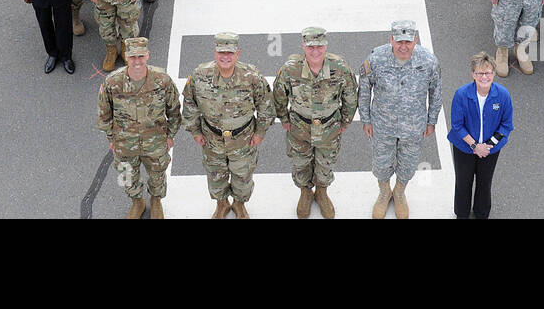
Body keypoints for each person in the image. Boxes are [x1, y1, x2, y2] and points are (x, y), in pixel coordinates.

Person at [181, 32, 275, 219]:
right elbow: (190, 103)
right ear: (215, 52)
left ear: (237, 53)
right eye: (221, 52)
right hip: (211, 138)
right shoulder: (200, 75)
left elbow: (266, 104)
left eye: (230, 53)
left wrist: (260, 132)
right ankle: (222, 204)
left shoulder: (251, 76)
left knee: (243, 176)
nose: (225, 57)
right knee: (216, 175)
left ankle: (239, 205)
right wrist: (195, 131)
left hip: (243, 138)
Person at [358, 20, 442, 220]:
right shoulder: (376, 59)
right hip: (382, 125)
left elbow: (436, 92)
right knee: (381, 163)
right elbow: (364, 89)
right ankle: (384, 192)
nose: (403, 47)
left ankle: (400, 192)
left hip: (414, 126)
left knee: (408, 164)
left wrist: (432, 121)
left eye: (408, 42)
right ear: (391, 40)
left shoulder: (429, 61)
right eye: (399, 42)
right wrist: (366, 119)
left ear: (415, 40)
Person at [272, 27, 359, 220]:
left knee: (326, 162)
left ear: (325, 45)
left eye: (319, 46)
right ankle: (305, 192)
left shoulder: (340, 67)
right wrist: (284, 119)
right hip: (299, 127)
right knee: (300, 163)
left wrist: (345, 121)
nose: (315, 51)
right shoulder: (290, 68)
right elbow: (278, 95)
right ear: (303, 45)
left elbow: (351, 96)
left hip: (329, 127)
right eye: (310, 47)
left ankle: (321, 191)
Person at [96, 36, 181, 219]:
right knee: (126, 176)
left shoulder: (162, 80)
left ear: (147, 55)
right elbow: (104, 113)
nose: (137, 61)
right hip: (125, 143)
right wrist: (112, 138)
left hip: (155, 141)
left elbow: (174, 110)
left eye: (140, 56)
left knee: (158, 174)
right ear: (126, 56)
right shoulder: (113, 82)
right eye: (132, 57)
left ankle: (156, 201)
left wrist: (170, 135)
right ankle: (137, 202)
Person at [448, 51, 514, 219]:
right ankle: (461, 214)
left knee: (485, 182)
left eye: (488, 72)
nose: (484, 77)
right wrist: (475, 146)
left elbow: (506, 125)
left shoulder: (503, 95)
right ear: (473, 74)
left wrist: (487, 146)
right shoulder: (461, 94)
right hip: (464, 147)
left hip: (490, 149)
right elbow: (457, 125)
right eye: (480, 73)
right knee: (463, 182)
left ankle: (482, 213)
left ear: (493, 73)